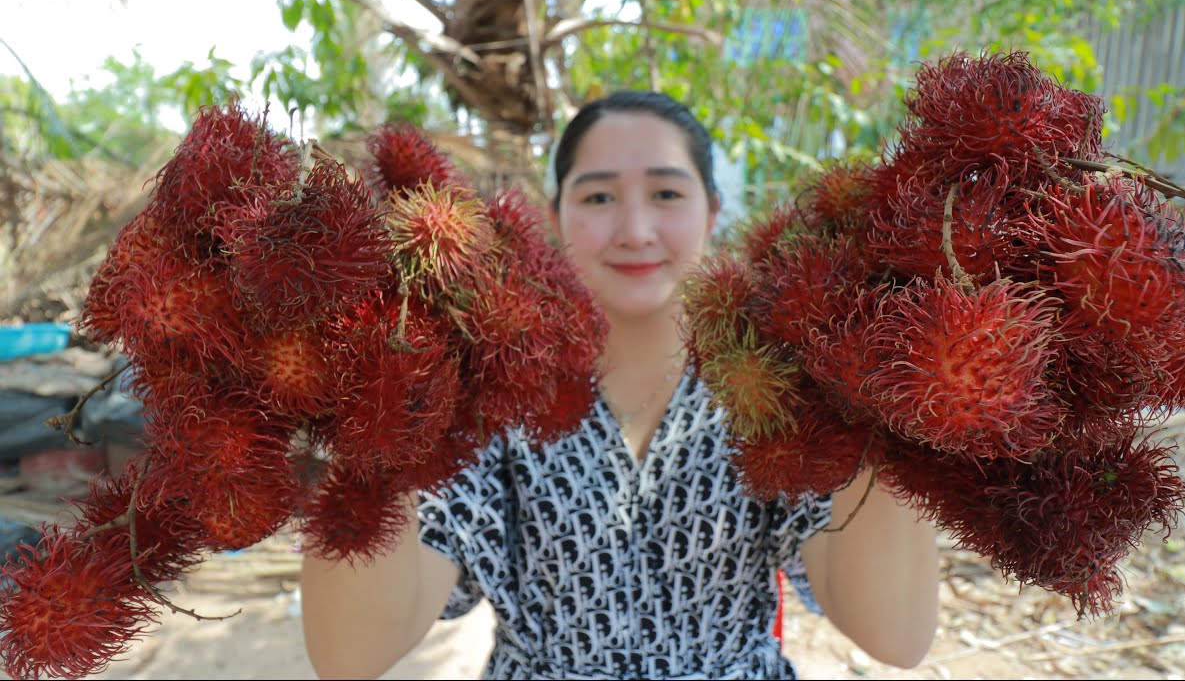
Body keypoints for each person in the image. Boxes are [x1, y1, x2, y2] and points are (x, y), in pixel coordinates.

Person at [299, 90, 941, 680]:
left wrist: (892, 390)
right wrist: (373, 403)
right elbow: (351, 653)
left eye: (666, 194)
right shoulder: (496, 389)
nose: (635, 229)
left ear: (712, 210)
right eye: (599, 197)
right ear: (555, 217)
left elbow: (895, 636)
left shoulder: (779, 388)